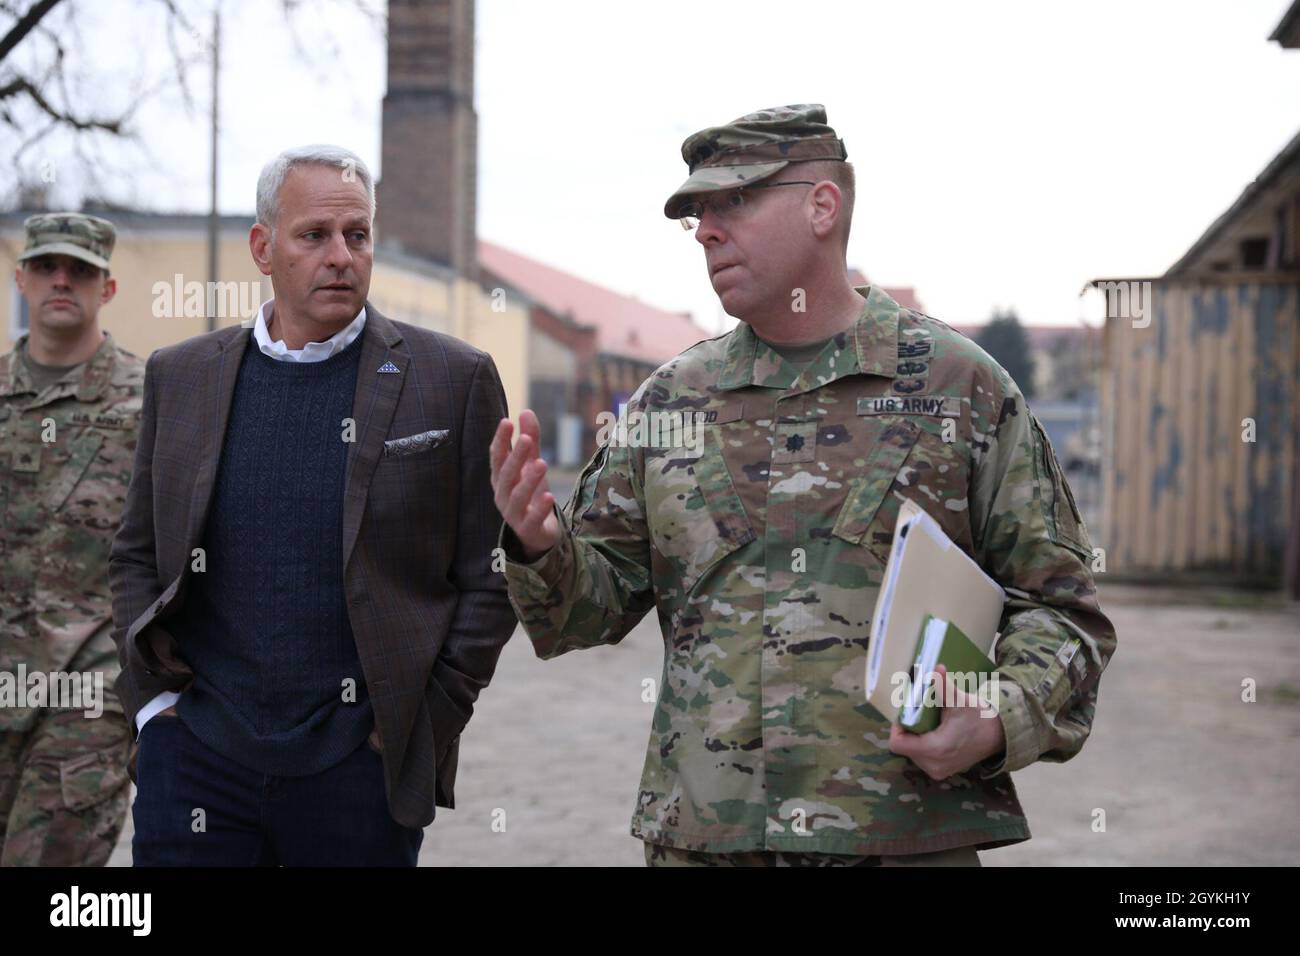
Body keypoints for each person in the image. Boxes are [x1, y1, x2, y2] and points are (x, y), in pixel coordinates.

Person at [491, 105, 1117, 867]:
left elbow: (1063, 611)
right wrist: (540, 542)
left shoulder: (960, 390)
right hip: (709, 844)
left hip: (898, 840)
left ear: (824, 205)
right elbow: (587, 612)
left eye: (736, 201)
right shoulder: (668, 404)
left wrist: (995, 715)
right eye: (697, 215)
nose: (709, 229)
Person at [110, 144, 517, 866]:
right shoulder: (183, 377)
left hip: (357, 771)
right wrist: (155, 711)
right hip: (199, 759)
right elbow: (138, 553)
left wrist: (423, 721)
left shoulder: (451, 380)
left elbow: (491, 575)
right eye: (315, 236)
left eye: (357, 236)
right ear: (263, 248)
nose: (341, 256)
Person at [1, 212, 140, 866]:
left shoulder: (151, 403)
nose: (63, 281)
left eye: (81, 270)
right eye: (48, 267)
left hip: (86, 701)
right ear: (21, 278)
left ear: (106, 288)